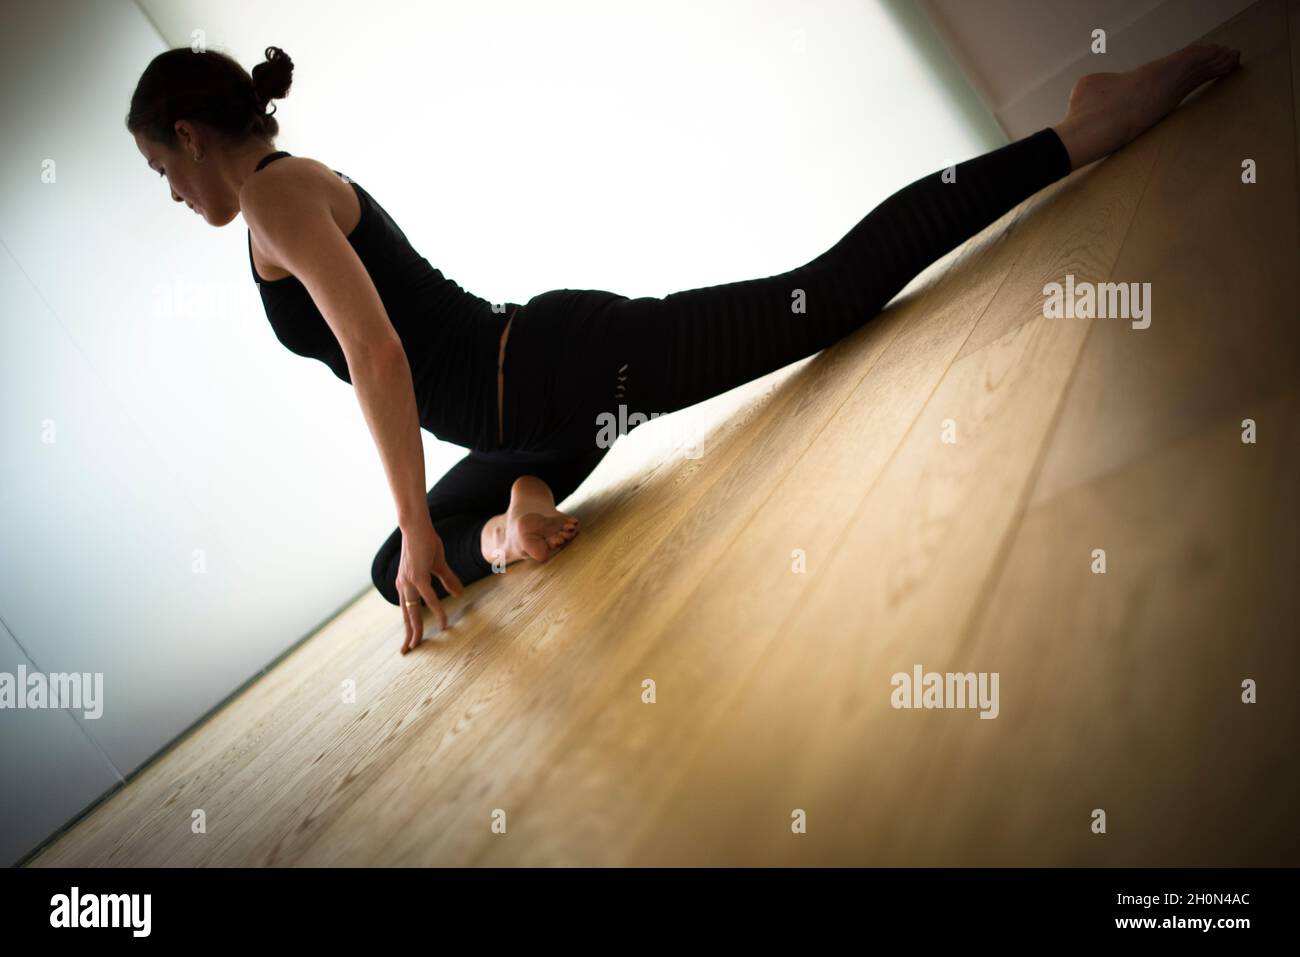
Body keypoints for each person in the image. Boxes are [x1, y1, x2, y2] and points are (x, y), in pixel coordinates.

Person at [127, 41, 1241, 654]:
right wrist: (421, 530)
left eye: (162, 172)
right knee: (392, 572)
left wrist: (426, 518)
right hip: (538, 407)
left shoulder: (274, 203)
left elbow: (376, 353)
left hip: (572, 366)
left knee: (831, 293)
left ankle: (1081, 124)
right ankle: (516, 511)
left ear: (189, 138)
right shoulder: (290, 191)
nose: (172, 195)